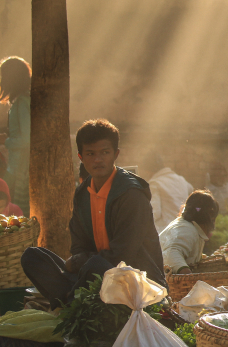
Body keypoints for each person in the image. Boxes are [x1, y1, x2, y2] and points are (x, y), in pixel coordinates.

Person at [21, 119, 165, 308]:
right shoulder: (82, 194)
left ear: (116, 154)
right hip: (93, 276)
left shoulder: (131, 194)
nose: (98, 160)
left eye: (105, 153)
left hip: (135, 280)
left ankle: (70, 304)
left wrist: (83, 262)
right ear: (81, 156)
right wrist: (81, 262)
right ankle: (72, 300)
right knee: (33, 257)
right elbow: (78, 245)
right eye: (91, 154)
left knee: (95, 266)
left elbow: (123, 254)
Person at [159, 190, 219, 275]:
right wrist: (189, 277)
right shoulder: (187, 229)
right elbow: (171, 254)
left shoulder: (188, 227)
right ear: (209, 216)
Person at [0, 57, 30, 216]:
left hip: (20, 168)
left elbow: (27, 139)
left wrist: (7, 141)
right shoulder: (18, 101)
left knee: (17, 211)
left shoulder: (22, 102)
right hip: (15, 165)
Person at [144, 154, 194, 233]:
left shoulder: (155, 183)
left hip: (166, 233)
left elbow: (154, 214)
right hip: (184, 230)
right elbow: (192, 192)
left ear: (147, 171)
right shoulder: (182, 180)